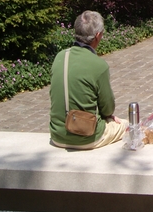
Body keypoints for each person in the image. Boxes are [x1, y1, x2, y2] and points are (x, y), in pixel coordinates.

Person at [49, 11, 128, 149]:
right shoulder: (99, 65)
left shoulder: (60, 56)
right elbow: (108, 109)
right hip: (87, 136)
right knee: (126, 124)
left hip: (57, 134)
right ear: (97, 36)